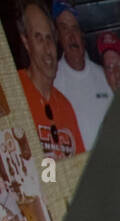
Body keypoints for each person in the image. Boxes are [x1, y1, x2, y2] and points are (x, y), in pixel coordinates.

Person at [15, 0, 83, 159]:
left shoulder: (65, 106)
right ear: (26, 42)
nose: (47, 49)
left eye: (49, 38)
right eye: (38, 38)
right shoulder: (13, 94)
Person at [50, 0, 111, 148]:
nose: (71, 36)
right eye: (64, 29)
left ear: (82, 35)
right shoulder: (52, 82)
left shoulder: (105, 76)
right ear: (57, 37)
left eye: (75, 28)